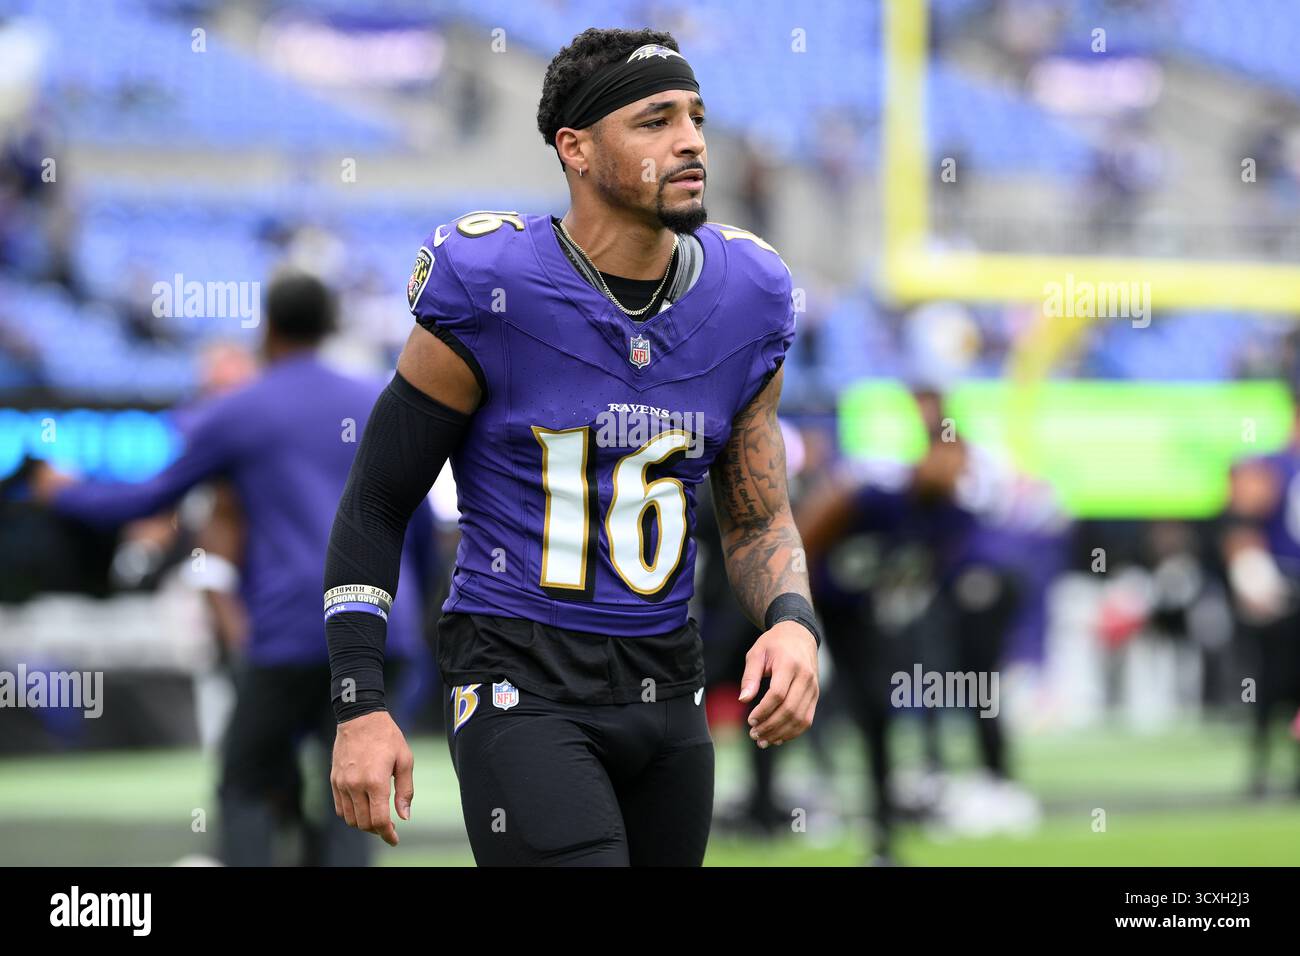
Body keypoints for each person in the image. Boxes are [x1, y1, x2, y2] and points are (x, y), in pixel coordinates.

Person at [324, 27, 822, 866]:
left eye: (696, 116)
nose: (691, 139)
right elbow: (377, 500)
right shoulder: (492, 285)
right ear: (577, 148)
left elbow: (757, 512)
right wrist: (359, 702)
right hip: (523, 684)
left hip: (671, 687)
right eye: (656, 119)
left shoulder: (750, 295)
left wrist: (792, 620)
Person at [33, 272, 434, 865]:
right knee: (356, 795)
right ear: (329, 327)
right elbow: (418, 517)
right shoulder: (377, 398)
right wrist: (409, 611)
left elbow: (145, 500)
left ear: (267, 328)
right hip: (377, 626)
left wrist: (62, 492)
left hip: (288, 630)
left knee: (246, 783)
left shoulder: (240, 409)